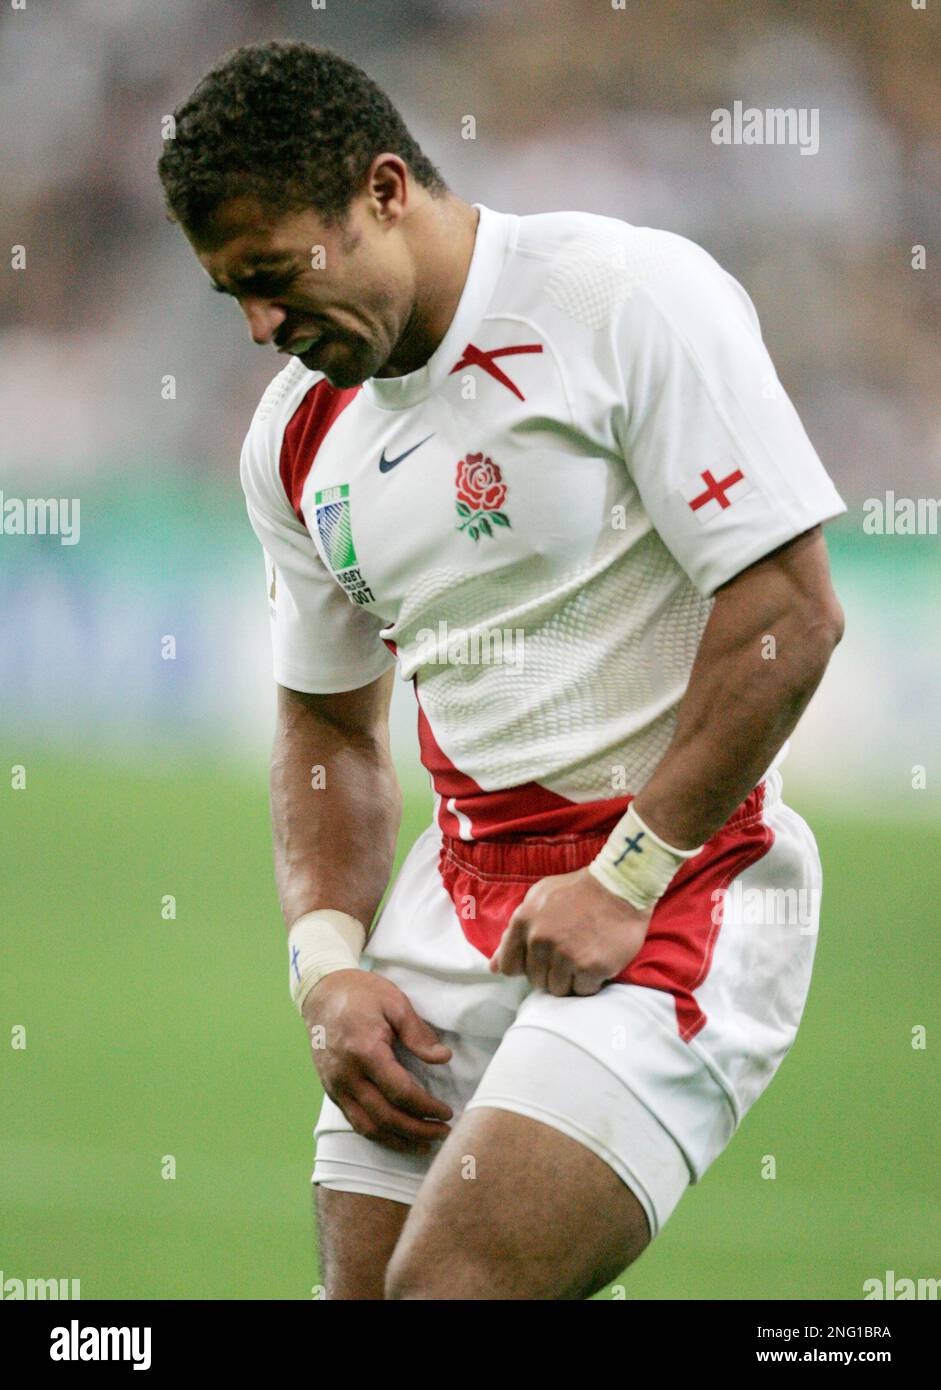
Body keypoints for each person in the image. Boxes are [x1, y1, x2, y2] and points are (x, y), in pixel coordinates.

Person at [158, 40, 846, 1301]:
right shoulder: (298, 438)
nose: (261, 328)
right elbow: (325, 721)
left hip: (681, 883)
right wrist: (327, 963)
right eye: (231, 300)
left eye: (271, 278)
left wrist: (626, 873)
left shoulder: (622, 298)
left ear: (381, 192)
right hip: (457, 895)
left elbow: (786, 614)